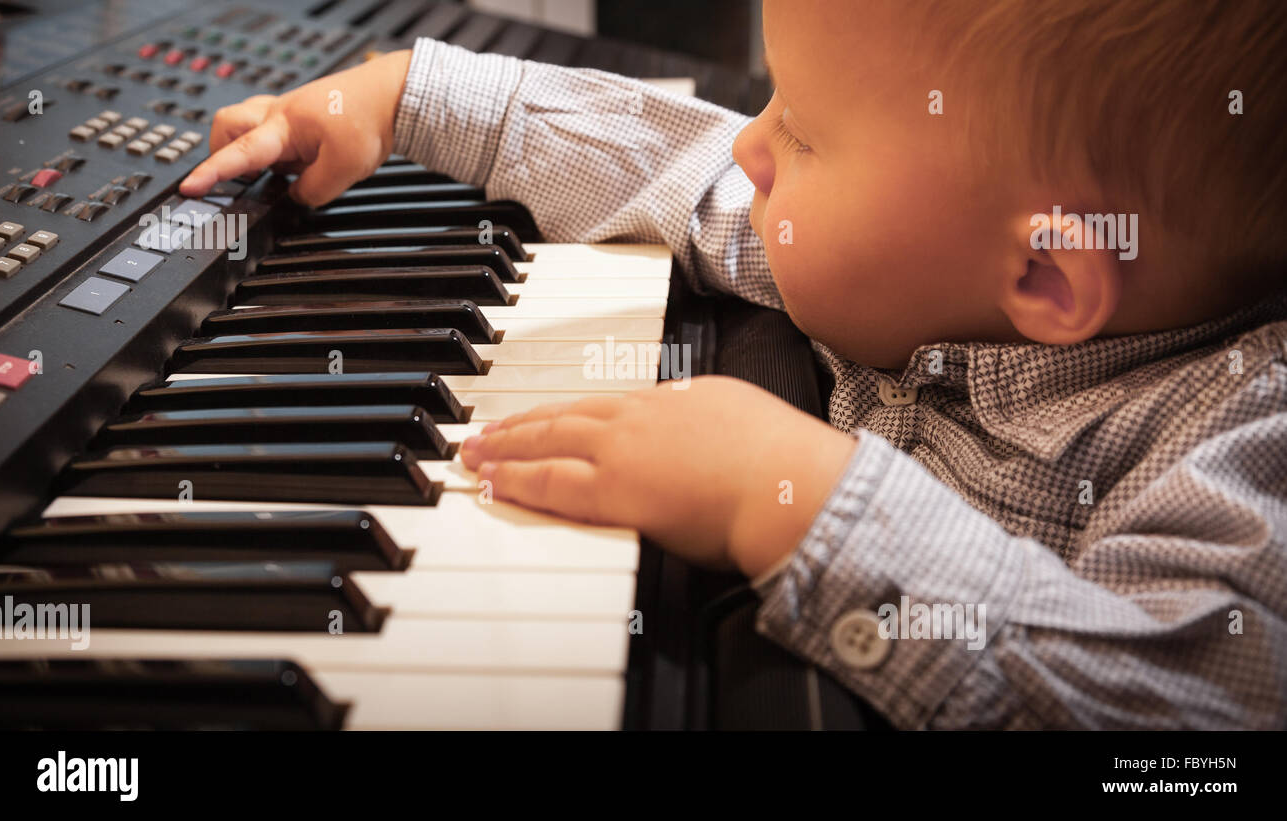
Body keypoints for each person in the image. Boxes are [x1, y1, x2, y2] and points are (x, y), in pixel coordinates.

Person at [180, 0, 1287, 729]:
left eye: (802, 130)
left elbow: (1189, 714)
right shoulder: (918, 249)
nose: (750, 144)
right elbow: (686, 163)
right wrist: (402, 96)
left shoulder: (1241, 440)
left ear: (1047, 279)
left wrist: (802, 501)